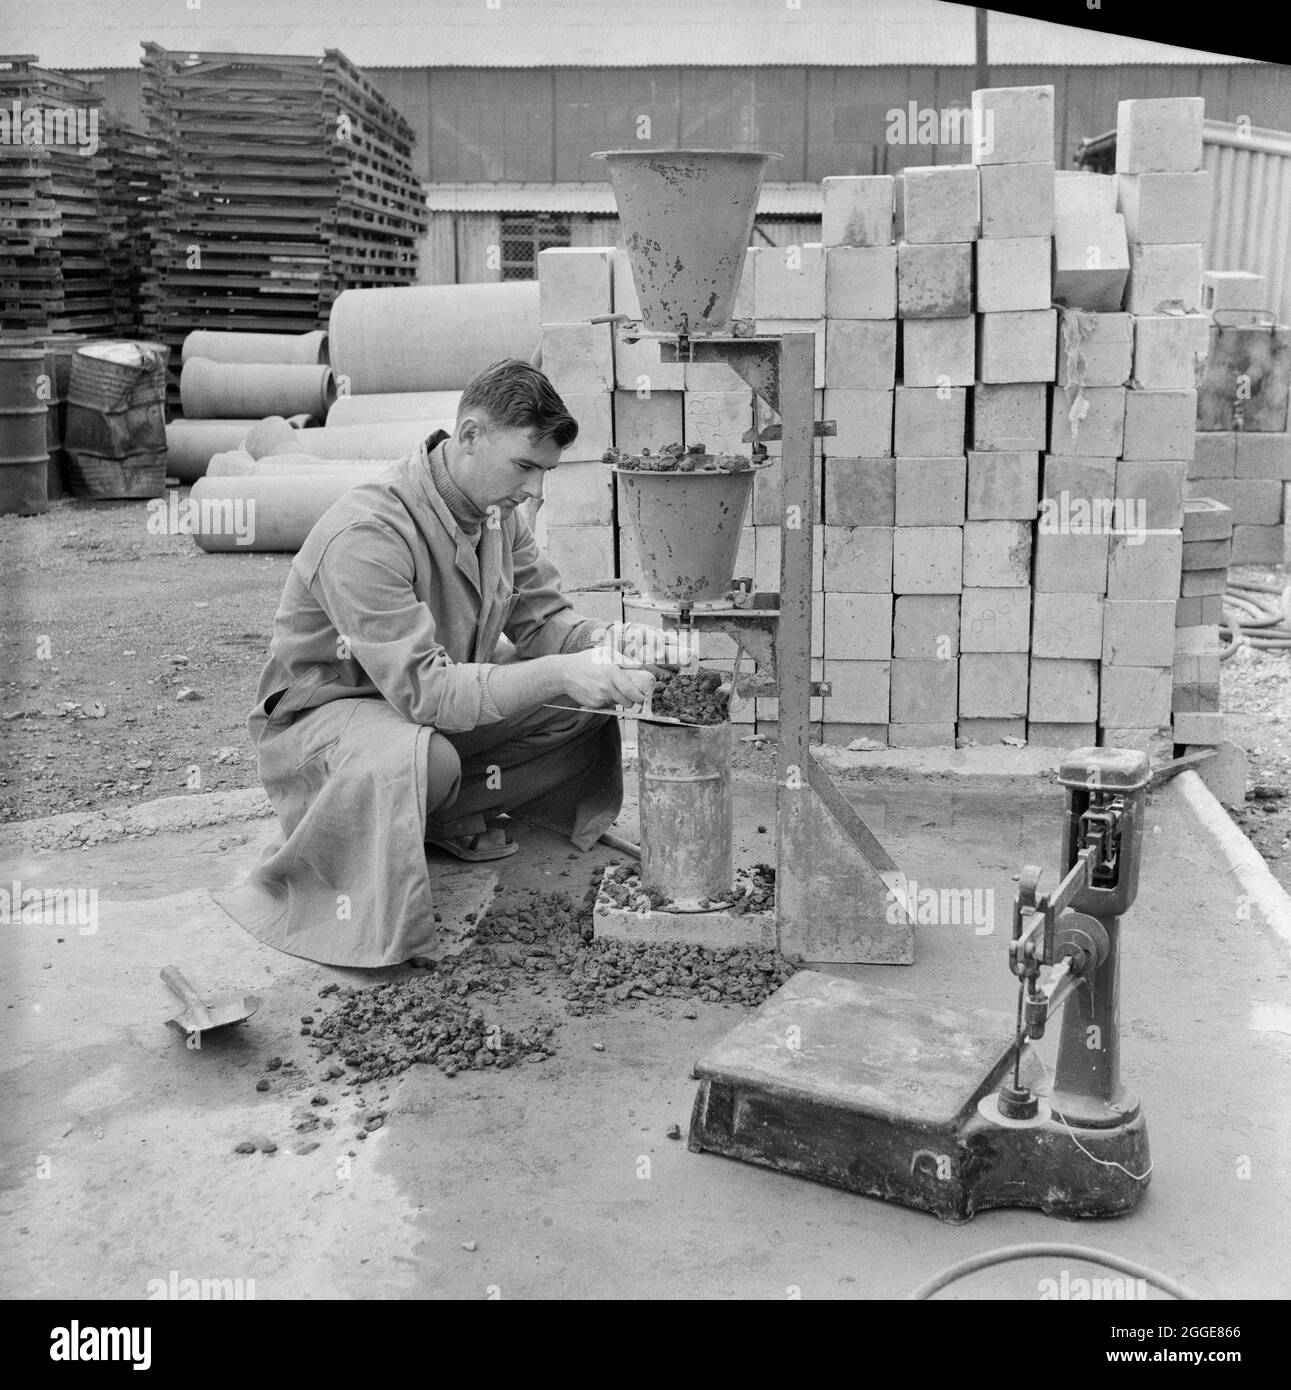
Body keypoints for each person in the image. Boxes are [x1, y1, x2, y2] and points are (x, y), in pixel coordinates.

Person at [215, 358, 667, 967]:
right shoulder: (369, 532)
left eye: (545, 471)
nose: (537, 490)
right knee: (430, 757)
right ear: (472, 437)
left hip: (425, 704)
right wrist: (564, 669)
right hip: (329, 723)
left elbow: (542, 623)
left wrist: (607, 642)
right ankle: (384, 823)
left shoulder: (494, 515)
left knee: (579, 706)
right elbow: (424, 694)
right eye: (526, 466)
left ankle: (426, 823)